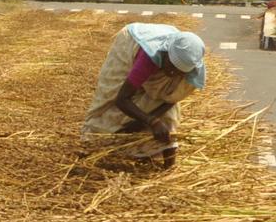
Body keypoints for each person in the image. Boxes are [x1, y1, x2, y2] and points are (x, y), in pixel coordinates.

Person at [81, 23, 207, 169]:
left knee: (165, 108)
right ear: (166, 54)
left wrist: (151, 120)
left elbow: (172, 98)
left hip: (167, 51)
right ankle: (91, 144)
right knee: (110, 97)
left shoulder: (191, 70)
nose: (172, 73)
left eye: (178, 71)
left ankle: (168, 166)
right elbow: (122, 99)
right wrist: (150, 120)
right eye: (171, 66)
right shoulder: (149, 57)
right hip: (131, 41)